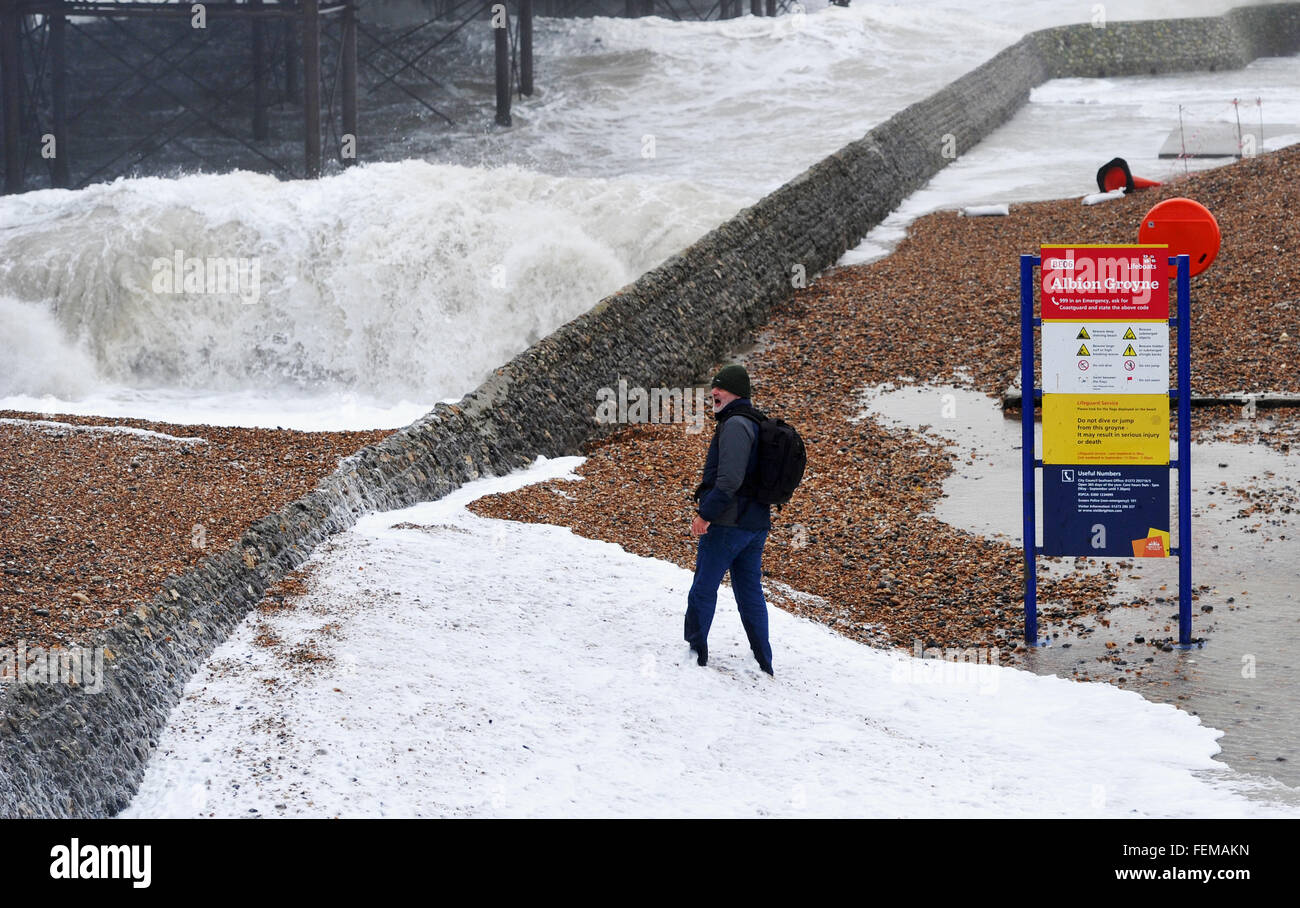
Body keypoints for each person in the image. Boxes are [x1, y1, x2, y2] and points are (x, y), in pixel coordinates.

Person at [685, 364, 774, 676]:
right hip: (755, 524)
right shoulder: (756, 421)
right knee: (749, 592)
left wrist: (704, 515)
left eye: (720, 388)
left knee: (703, 587)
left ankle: (695, 655)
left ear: (736, 391)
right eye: (713, 388)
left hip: (728, 524)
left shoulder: (735, 424)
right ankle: (763, 661)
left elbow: (729, 481)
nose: (714, 393)